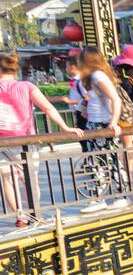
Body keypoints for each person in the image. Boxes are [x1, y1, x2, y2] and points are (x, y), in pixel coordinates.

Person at [1, 53, 83, 225]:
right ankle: (35, 214)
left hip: (2, 141)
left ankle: (20, 217)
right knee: (30, 179)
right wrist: (65, 127)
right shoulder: (26, 86)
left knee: (8, 180)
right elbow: (48, 108)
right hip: (24, 141)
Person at [77, 49, 124, 206]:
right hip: (94, 123)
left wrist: (114, 121)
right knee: (96, 161)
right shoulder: (91, 77)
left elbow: (115, 98)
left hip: (103, 123)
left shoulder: (97, 75)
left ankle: (120, 196)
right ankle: (100, 197)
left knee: (110, 159)